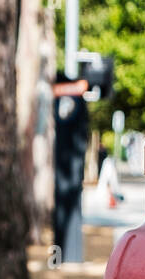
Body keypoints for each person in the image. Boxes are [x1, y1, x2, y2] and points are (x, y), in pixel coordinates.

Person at [51, 72, 89, 262]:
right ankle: (62, 257)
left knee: (66, 212)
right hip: (67, 171)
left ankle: (64, 258)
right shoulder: (74, 100)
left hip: (68, 172)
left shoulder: (68, 101)